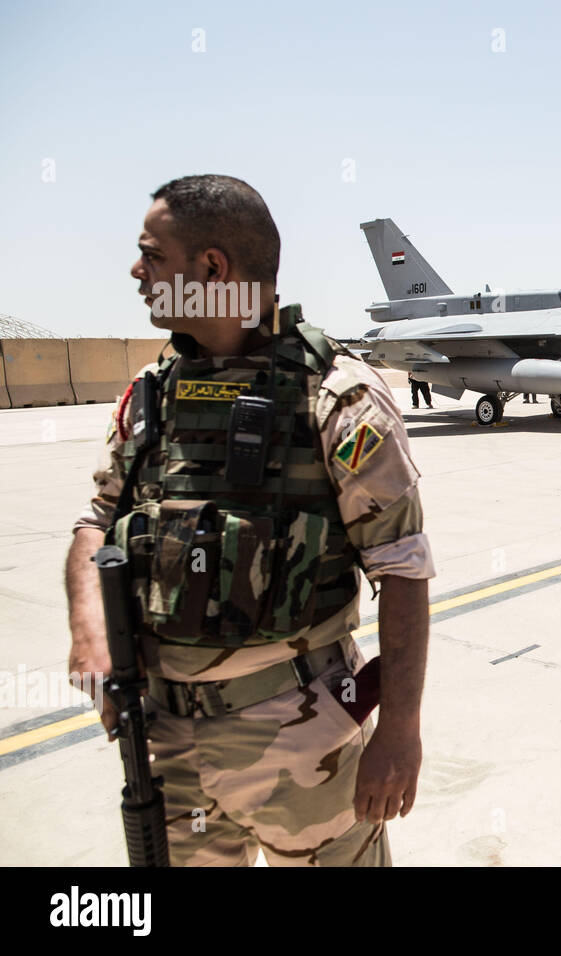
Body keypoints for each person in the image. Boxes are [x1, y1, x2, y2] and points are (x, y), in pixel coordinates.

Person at [64, 175, 436, 866]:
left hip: (302, 737)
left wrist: (401, 732)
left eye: (152, 254)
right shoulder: (153, 395)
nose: (136, 271)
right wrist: (90, 637)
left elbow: (403, 568)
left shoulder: (334, 394)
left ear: (211, 268)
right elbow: (95, 525)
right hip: (165, 740)